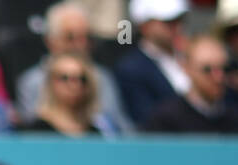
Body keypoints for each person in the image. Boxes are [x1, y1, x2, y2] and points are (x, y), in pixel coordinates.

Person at [17, 2, 134, 133]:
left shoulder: (102, 77)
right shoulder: (32, 81)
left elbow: (121, 128)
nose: (80, 45)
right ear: (50, 40)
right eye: (70, 37)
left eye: (86, 38)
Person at [144, 33, 238, 132]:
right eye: (207, 70)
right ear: (186, 68)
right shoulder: (165, 120)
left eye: (224, 69)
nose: (218, 77)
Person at [114, 0, 190, 127]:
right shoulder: (131, 69)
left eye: (179, 20)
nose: (177, 27)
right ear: (145, 26)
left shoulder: (188, 57)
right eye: (168, 22)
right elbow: (146, 120)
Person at [21, 51, 117, 135]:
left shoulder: (95, 133)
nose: (74, 86)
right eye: (64, 78)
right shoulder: (36, 131)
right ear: (50, 83)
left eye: (82, 79)